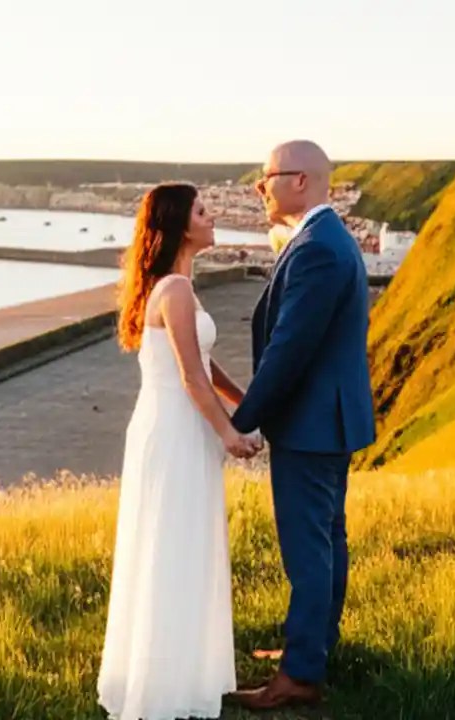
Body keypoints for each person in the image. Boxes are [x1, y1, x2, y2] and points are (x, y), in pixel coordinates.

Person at [96, 183, 261, 720]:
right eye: (202, 211)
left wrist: (247, 403)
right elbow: (191, 377)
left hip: (166, 427)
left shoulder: (172, 287)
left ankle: (174, 673)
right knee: (174, 546)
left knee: (175, 545)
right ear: (178, 224)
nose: (213, 218)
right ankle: (163, 687)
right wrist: (229, 434)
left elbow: (203, 366)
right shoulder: (177, 291)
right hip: (174, 429)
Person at [230, 140, 377, 710]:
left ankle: (300, 675)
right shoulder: (327, 240)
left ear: (298, 182)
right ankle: (312, 649)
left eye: (263, 180)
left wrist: (242, 421)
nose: (259, 191)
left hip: (312, 423)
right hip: (330, 418)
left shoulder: (316, 248)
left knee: (308, 548)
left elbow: (289, 348)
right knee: (327, 541)